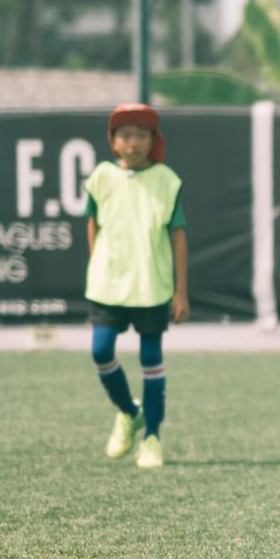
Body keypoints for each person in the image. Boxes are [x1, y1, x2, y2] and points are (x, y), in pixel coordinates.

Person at [82, 103, 188, 468]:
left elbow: (178, 236)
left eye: (141, 135)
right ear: (112, 142)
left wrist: (180, 291)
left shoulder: (167, 181)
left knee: (150, 360)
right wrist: (98, 260)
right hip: (107, 285)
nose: (133, 142)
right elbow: (93, 222)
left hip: (151, 286)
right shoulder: (101, 177)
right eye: (125, 135)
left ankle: (153, 437)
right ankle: (129, 411)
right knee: (100, 351)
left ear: (153, 140)